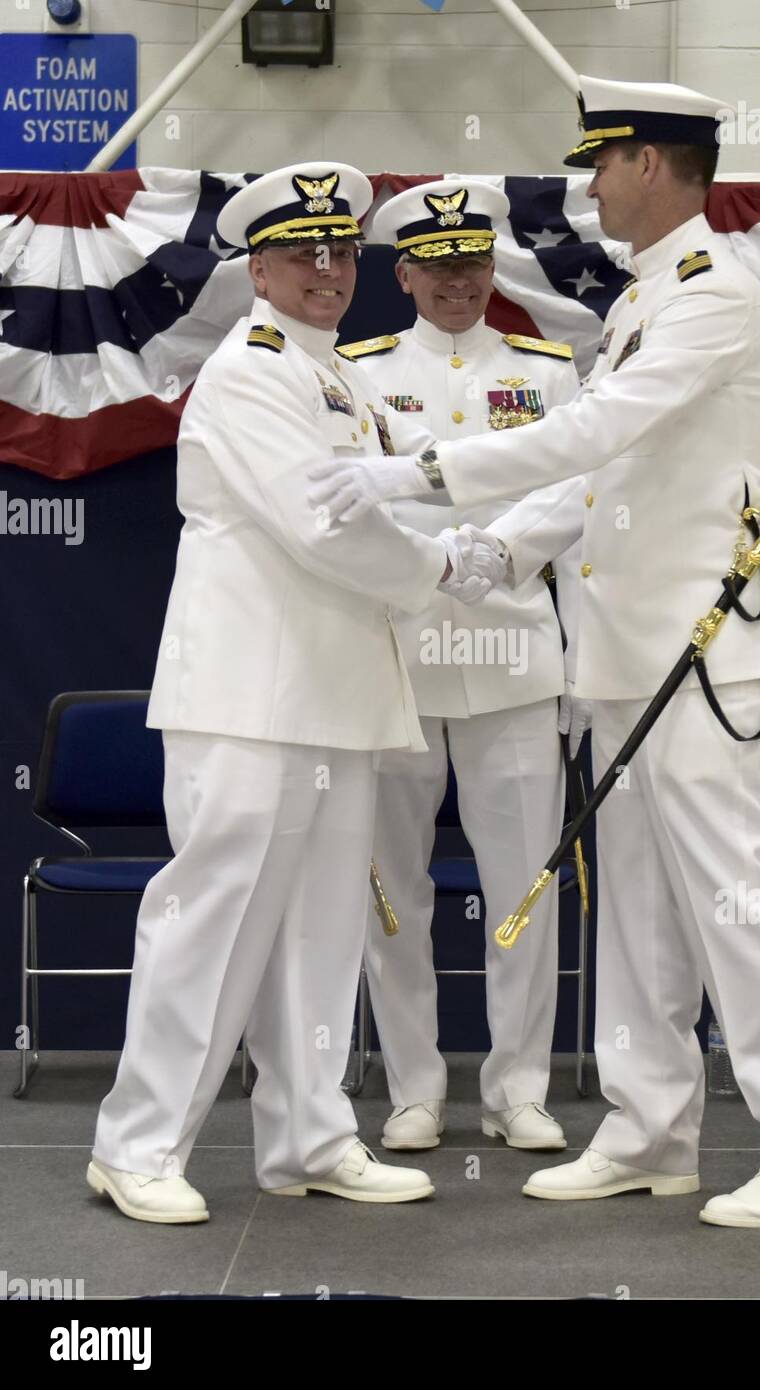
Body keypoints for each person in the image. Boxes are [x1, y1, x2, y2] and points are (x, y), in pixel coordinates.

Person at [317, 82, 760, 1229]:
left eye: (606, 162)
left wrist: (422, 475)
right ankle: (649, 1127)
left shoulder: (711, 296)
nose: (591, 183)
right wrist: (489, 557)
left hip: (705, 652)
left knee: (737, 896)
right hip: (625, 658)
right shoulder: (642, 301)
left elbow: (595, 430)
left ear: (658, 165)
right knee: (638, 906)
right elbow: (595, 483)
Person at [87, 162, 507, 1223]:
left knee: (323, 929)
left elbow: (406, 481)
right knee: (211, 921)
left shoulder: (334, 373)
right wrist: (443, 570)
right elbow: (325, 525)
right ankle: (135, 1145)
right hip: (251, 698)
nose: (326, 271)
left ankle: (311, 1133)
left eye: (340, 252)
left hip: (335, 697)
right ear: (258, 267)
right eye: (301, 254)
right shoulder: (252, 369)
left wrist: (473, 533)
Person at [338, 181, 586, 1153]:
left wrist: (502, 552)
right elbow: (352, 498)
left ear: (494, 267)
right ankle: (414, 1088)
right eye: (437, 266)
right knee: (395, 888)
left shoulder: (547, 369)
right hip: (396, 658)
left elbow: (577, 478)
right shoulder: (355, 373)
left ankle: (519, 1087)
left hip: (515, 655)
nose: (457, 282)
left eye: (473, 263)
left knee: (525, 880)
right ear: (403, 273)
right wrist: (431, 564)